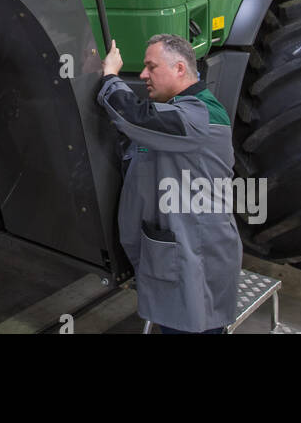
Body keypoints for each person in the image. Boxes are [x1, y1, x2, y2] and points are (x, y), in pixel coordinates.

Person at [97, 34, 241, 334]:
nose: (143, 75)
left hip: (194, 259)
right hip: (175, 258)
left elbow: (135, 117)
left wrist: (110, 76)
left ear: (179, 69)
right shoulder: (179, 109)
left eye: (151, 67)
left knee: (193, 326)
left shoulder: (199, 116)